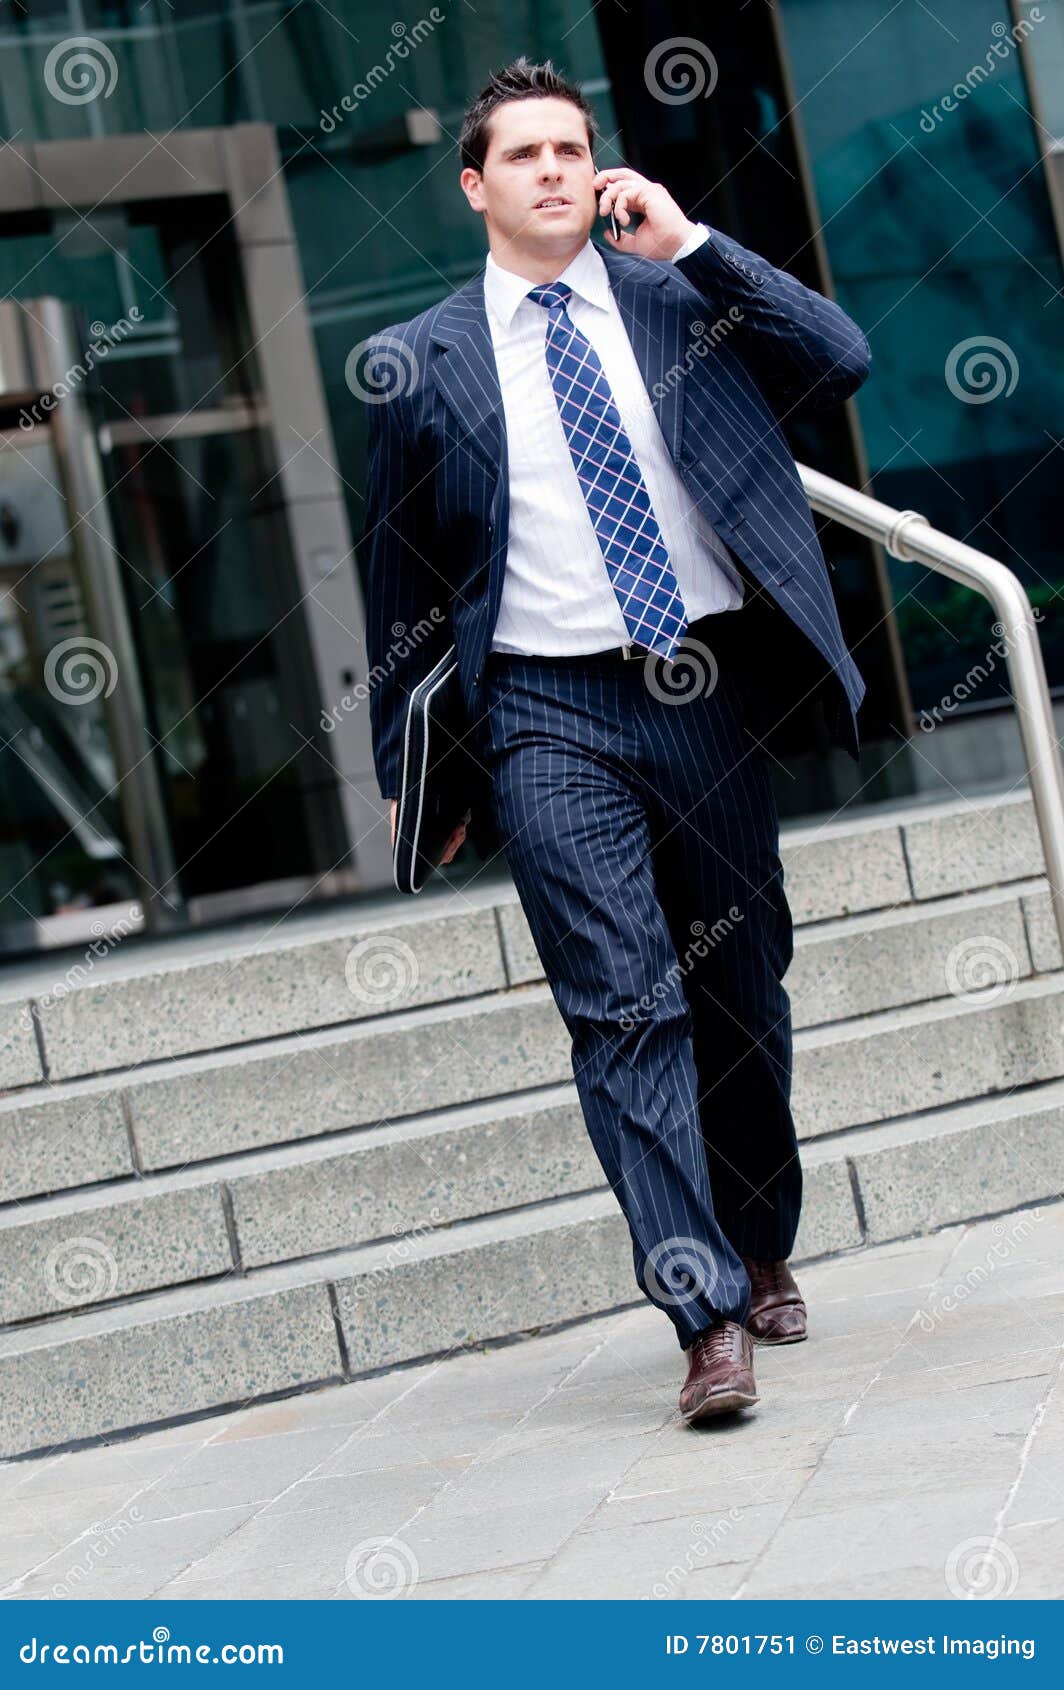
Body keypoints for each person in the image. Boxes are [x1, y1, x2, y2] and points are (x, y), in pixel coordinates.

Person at [360, 56, 871, 1425]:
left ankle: (762, 1236)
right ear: (475, 186)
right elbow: (398, 589)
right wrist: (416, 773)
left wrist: (699, 245)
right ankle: (704, 1311)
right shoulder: (424, 363)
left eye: (572, 149)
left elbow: (841, 362)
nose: (552, 171)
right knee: (622, 1006)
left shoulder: (674, 299)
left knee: (741, 993)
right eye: (522, 154)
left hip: (700, 689)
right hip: (544, 712)